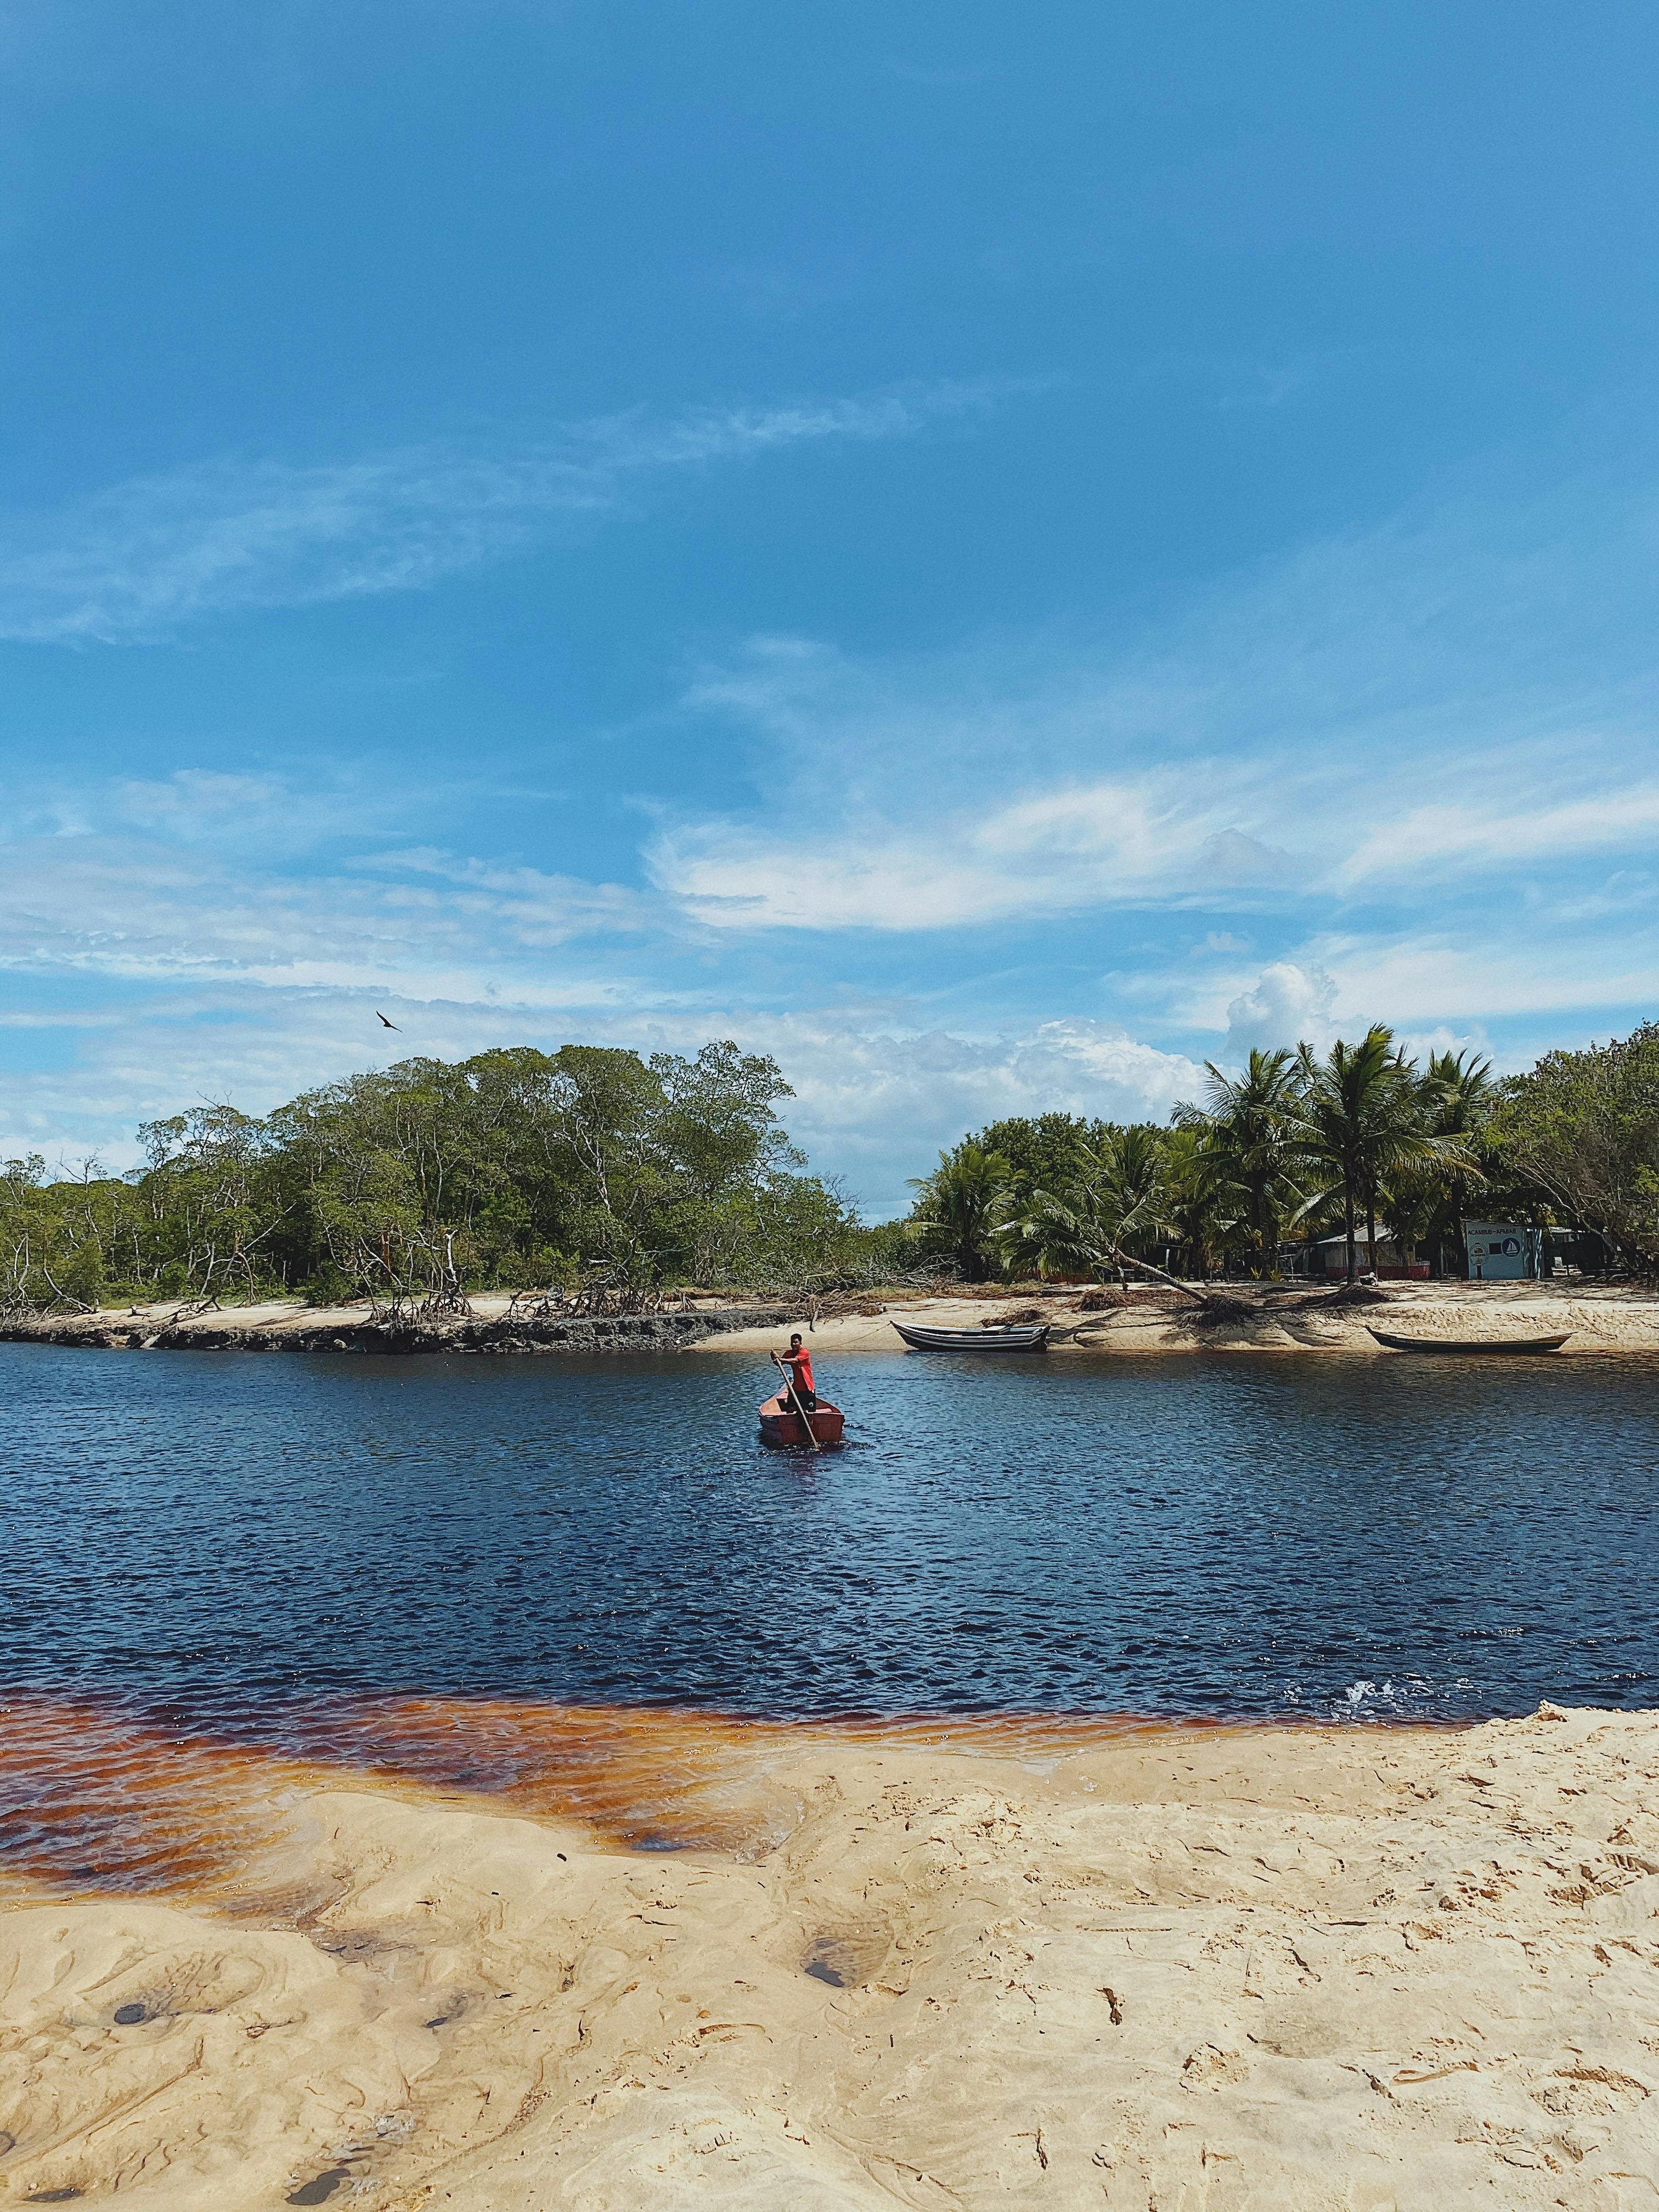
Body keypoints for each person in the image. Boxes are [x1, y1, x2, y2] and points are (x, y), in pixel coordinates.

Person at [778, 1331, 816, 1410]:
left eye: (796, 1342)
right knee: (791, 1408)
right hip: (796, 1387)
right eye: (792, 1342)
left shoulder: (804, 1352)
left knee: (810, 1411)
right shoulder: (789, 1353)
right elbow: (780, 1363)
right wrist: (775, 1359)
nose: (794, 1344)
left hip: (807, 1388)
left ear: (800, 1343)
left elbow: (795, 1361)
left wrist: (781, 1359)